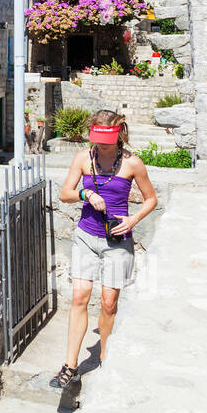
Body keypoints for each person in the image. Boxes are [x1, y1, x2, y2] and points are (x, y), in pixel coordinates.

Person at [50, 110, 158, 391]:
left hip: (117, 242)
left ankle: (104, 357)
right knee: (79, 297)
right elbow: (65, 193)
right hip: (86, 236)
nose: (102, 145)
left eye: (107, 140)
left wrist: (132, 220)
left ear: (119, 133)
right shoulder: (84, 158)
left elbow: (151, 200)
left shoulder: (133, 163)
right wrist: (86, 194)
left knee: (109, 302)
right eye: (97, 139)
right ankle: (70, 366)